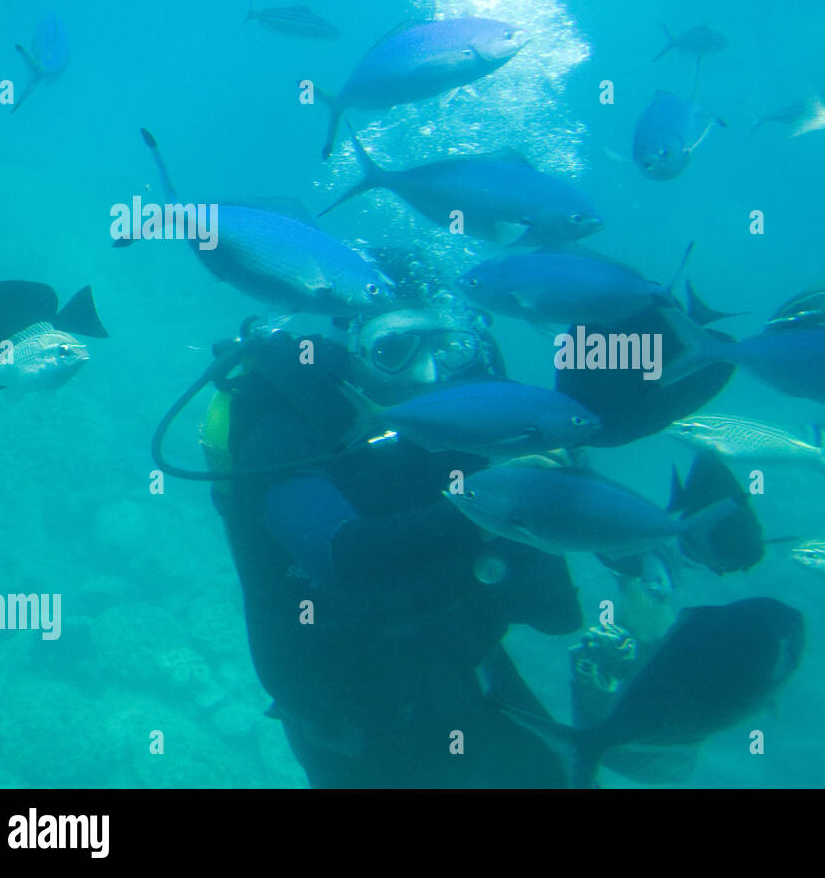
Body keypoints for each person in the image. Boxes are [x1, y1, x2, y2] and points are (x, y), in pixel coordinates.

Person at [198, 296, 583, 788]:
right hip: (350, 723)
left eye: (449, 348)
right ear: (352, 343)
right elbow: (340, 555)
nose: (427, 372)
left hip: (469, 678)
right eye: (394, 350)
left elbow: (554, 615)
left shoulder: (480, 415)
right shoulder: (284, 419)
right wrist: (497, 509)